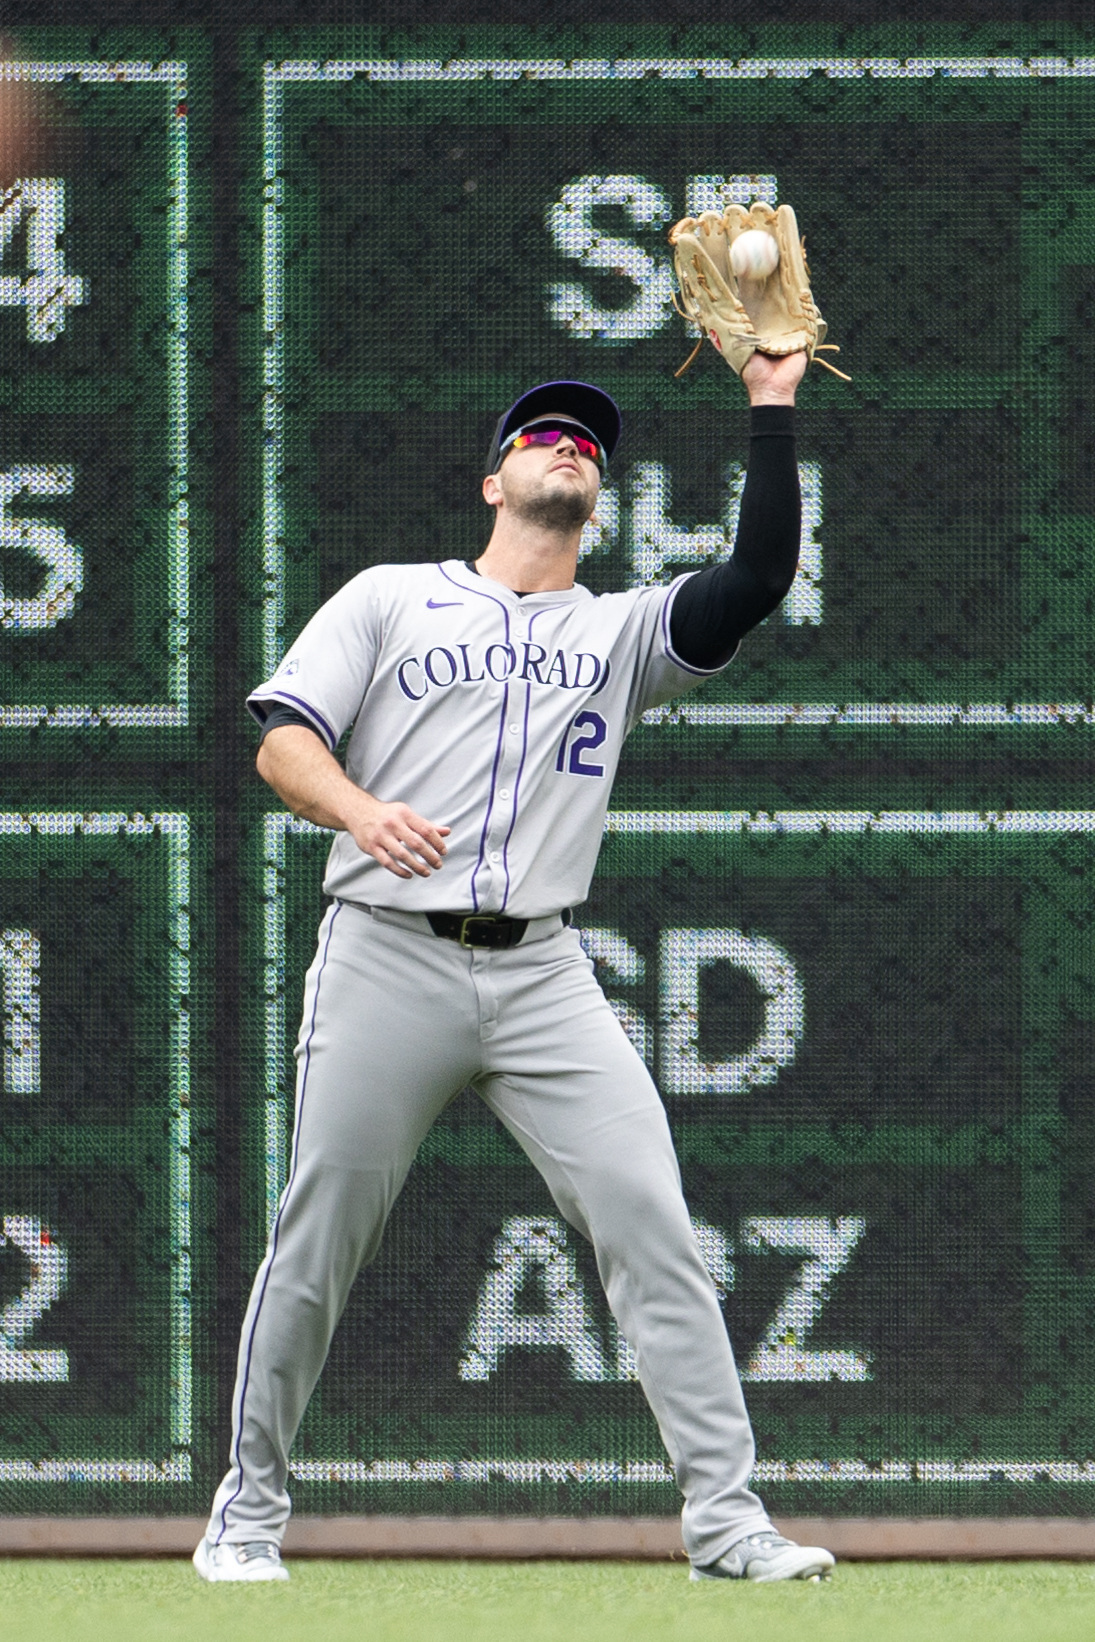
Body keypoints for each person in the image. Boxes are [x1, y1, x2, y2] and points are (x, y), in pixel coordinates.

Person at [194, 348, 835, 1585]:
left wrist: (768, 403)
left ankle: (727, 1521)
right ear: (494, 480)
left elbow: (758, 573)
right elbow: (283, 744)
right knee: (320, 1234)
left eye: (589, 444)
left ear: (600, 496)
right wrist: (360, 809)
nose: (569, 448)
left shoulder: (622, 630)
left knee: (652, 1219)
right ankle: (248, 1515)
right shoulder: (391, 598)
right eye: (544, 435)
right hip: (389, 951)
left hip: (544, 974)